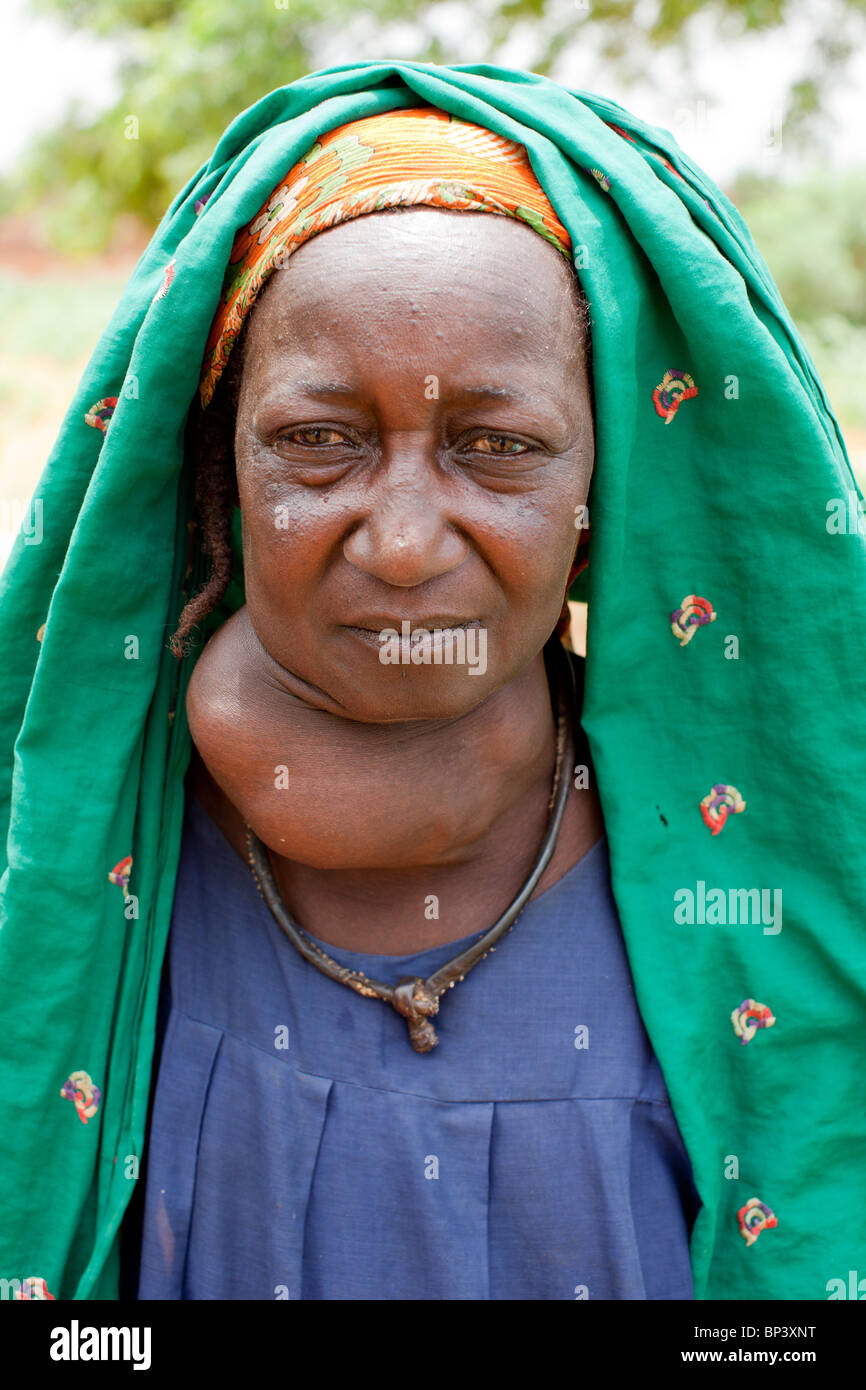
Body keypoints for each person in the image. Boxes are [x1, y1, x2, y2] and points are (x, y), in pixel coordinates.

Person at [1, 61, 864, 1304]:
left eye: (497, 447)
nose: (402, 544)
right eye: (318, 441)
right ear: (216, 473)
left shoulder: (760, 902)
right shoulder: (81, 888)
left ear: (598, 503)